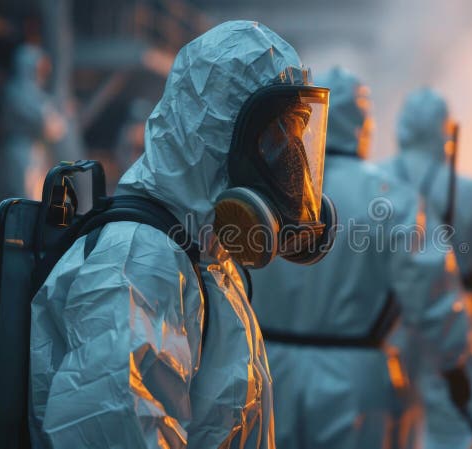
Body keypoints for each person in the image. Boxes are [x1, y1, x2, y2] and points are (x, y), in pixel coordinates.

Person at [29, 21, 336, 449]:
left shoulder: (203, 255)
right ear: (215, 137)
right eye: (275, 138)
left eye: (297, 136)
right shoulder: (137, 265)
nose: (292, 162)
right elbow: (113, 431)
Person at [250, 67, 469, 449]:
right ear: (363, 126)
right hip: (355, 383)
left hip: (267, 371)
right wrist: (453, 362)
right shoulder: (394, 199)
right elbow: (431, 294)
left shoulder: (264, 190)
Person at [381, 87, 472, 449]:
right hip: (452, 318)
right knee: (453, 427)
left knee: (390, 426)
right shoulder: (470, 191)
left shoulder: (375, 180)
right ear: (444, 129)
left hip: (385, 327)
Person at [0, 44, 65, 201]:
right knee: (22, 199)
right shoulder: (16, 91)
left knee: (37, 199)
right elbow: (44, 123)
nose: (42, 72)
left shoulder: (37, 94)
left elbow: (58, 129)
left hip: (36, 152)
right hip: (20, 150)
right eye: (39, 67)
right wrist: (52, 118)